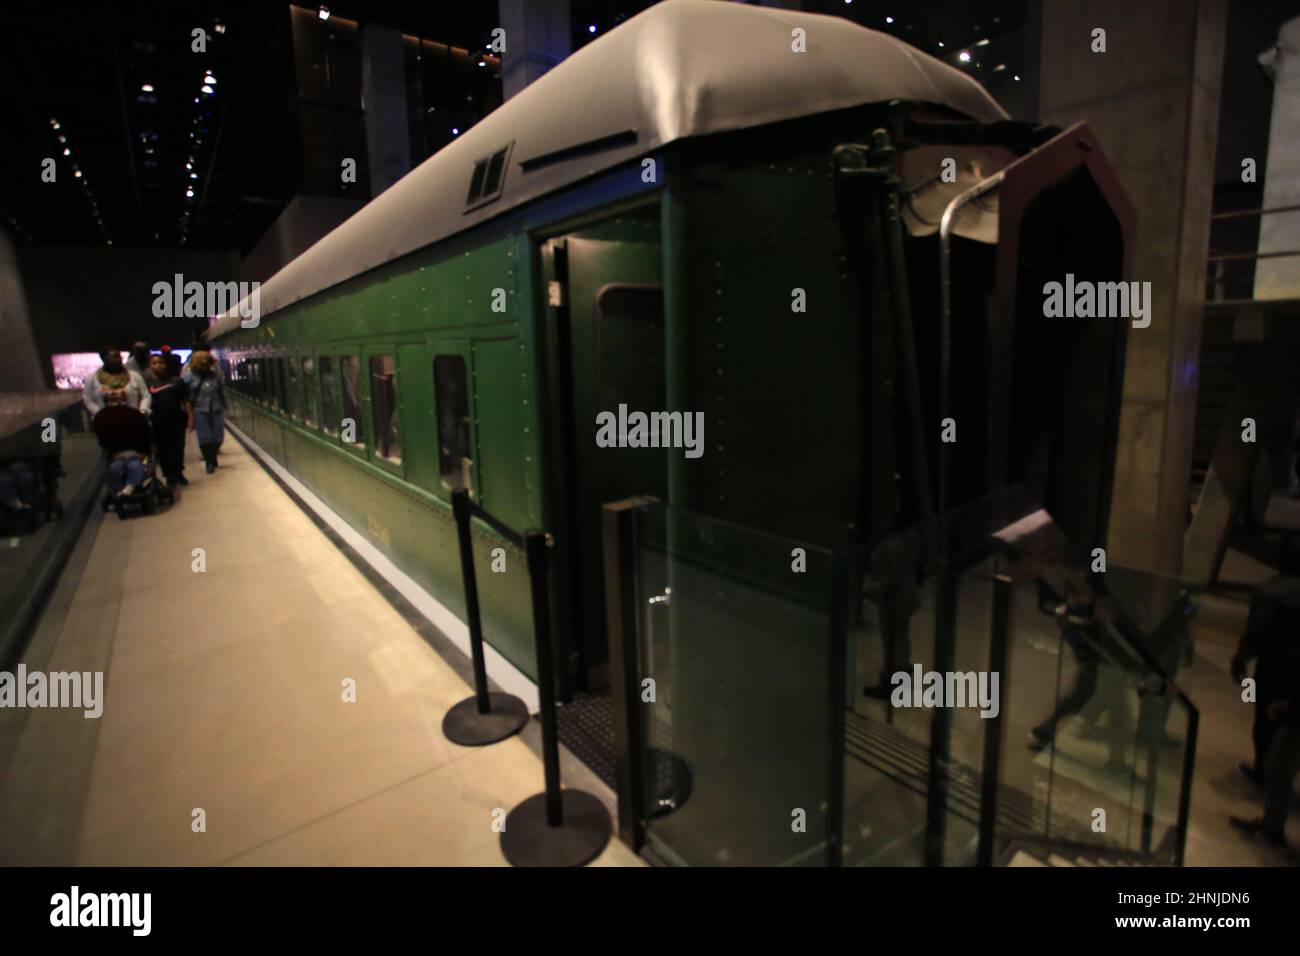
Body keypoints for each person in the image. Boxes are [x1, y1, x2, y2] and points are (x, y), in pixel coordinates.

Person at [1230, 584, 1300, 847]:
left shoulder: (1274, 592)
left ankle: (1271, 824)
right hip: (1290, 687)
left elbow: (1258, 631)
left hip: (1278, 674)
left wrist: (1241, 657)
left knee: (1277, 757)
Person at [146, 353, 193, 487]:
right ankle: (169, 475)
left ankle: (178, 472)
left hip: (176, 419)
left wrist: (190, 417)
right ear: (150, 366)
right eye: (154, 363)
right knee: (162, 449)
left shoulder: (176, 381)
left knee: (178, 447)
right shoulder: (148, 383)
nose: (158, 365)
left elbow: (186, 400)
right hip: (157, 421)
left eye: (161, 363)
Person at [93, 393, 150, 497]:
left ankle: (119, 490)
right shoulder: (136, 414)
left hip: (117, 455)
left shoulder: (100, 417)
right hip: (135, 454)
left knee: (116, 468)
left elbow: (102, 441)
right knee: (135, 467)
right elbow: (146, 436)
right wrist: (145, 452)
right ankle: (129, 487)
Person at [183, 350, 227, 474]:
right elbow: (183, 395)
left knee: (218, 437)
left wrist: (228, 409)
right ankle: (209, 461)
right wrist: (188, 414)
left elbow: (222, 392)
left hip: (216, 408)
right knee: (205, 437)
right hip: (199, 410)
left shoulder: (214, 375)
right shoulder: (188, 376)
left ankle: (212, 456)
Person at [83, 348, 151, 416]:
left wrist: (142, 411)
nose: (119, 359)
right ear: (104, 359)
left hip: (131, 419)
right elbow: (88, 399)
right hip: (105, 421)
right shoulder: (92, 379)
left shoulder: (134, 376)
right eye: (114, 357)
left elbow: (146, 396)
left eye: (119, 356)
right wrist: (100, 414)